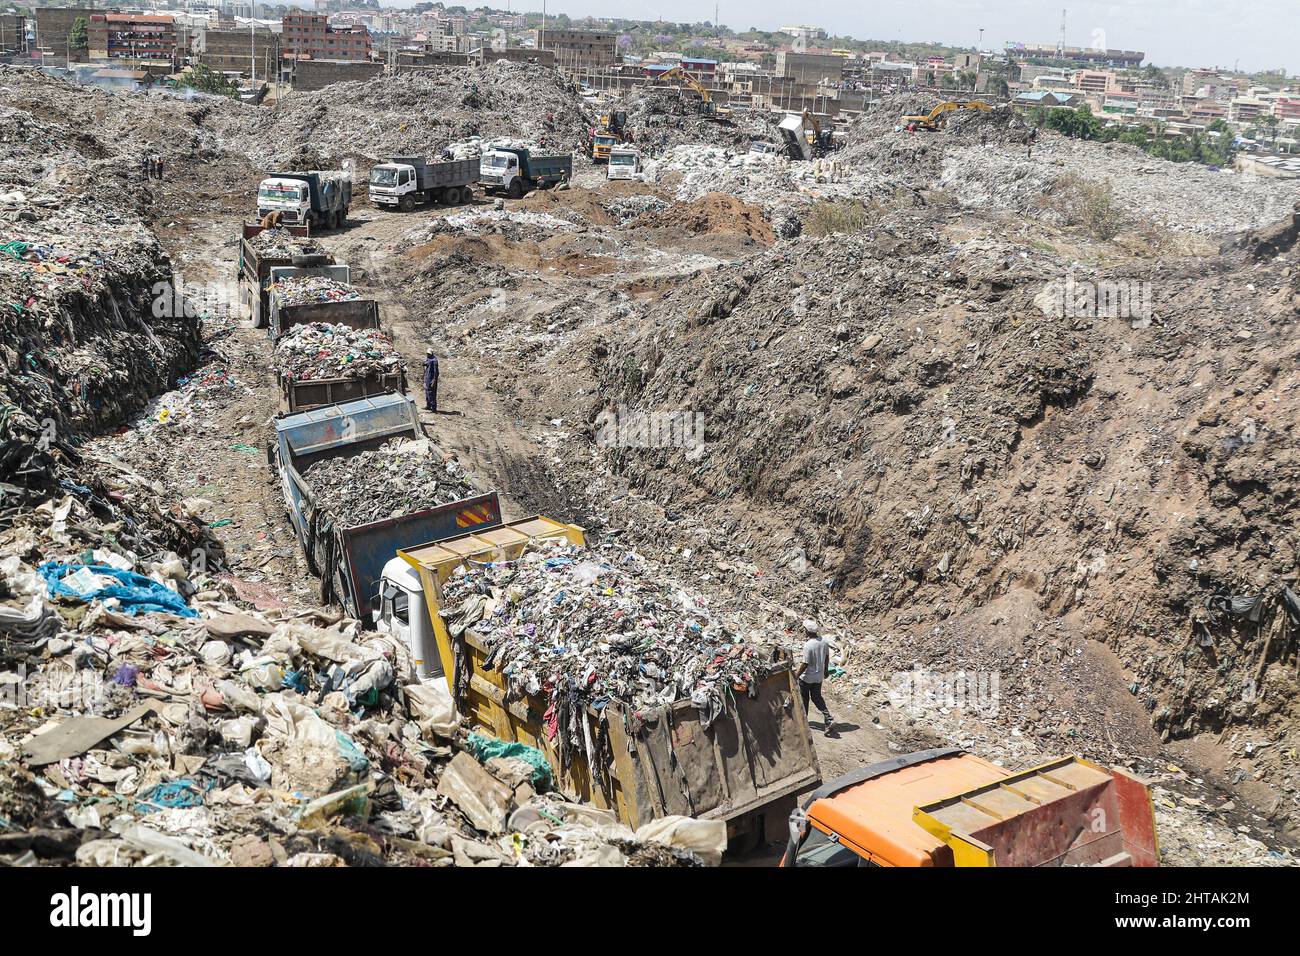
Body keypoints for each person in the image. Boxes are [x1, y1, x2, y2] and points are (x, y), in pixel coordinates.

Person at [795, 619, 835, 736]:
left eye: (805, 630)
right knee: (817, 697)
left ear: (807, 631)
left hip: (807, 678)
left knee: (804, 698)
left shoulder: (808, 645)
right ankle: (828, 718)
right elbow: (827, 657)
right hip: (818, 676)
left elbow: (805, 664)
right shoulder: (824, 641)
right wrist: (826, 670)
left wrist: (796, 676)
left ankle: (803, 721)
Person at [423, 348, 439, 412]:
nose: (427, 355)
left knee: (432, 394)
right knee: (427, 393)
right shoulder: (428, 358)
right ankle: (428, 406)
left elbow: (436, 372)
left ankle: (434, 408)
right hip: (427, 378)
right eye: (427, 353)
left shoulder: (434, 360)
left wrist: (434, 380)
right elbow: (425, 364)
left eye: (428, 354)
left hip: (431, 379)